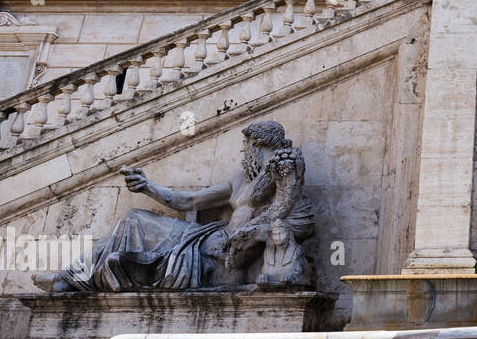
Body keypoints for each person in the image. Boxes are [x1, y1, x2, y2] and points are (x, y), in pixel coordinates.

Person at [33, 120, 313, 292]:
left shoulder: (282, 171)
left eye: (247, 145)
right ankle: (69, 276)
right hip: (205, 238)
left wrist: (249, 235)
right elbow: (187, 201)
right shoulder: (240, 180)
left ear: (257, 145)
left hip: (216, 251)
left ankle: (68, 279)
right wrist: (147, 186)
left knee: (134, 225)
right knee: (133, 219)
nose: (243, 151)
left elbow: (290, 214)